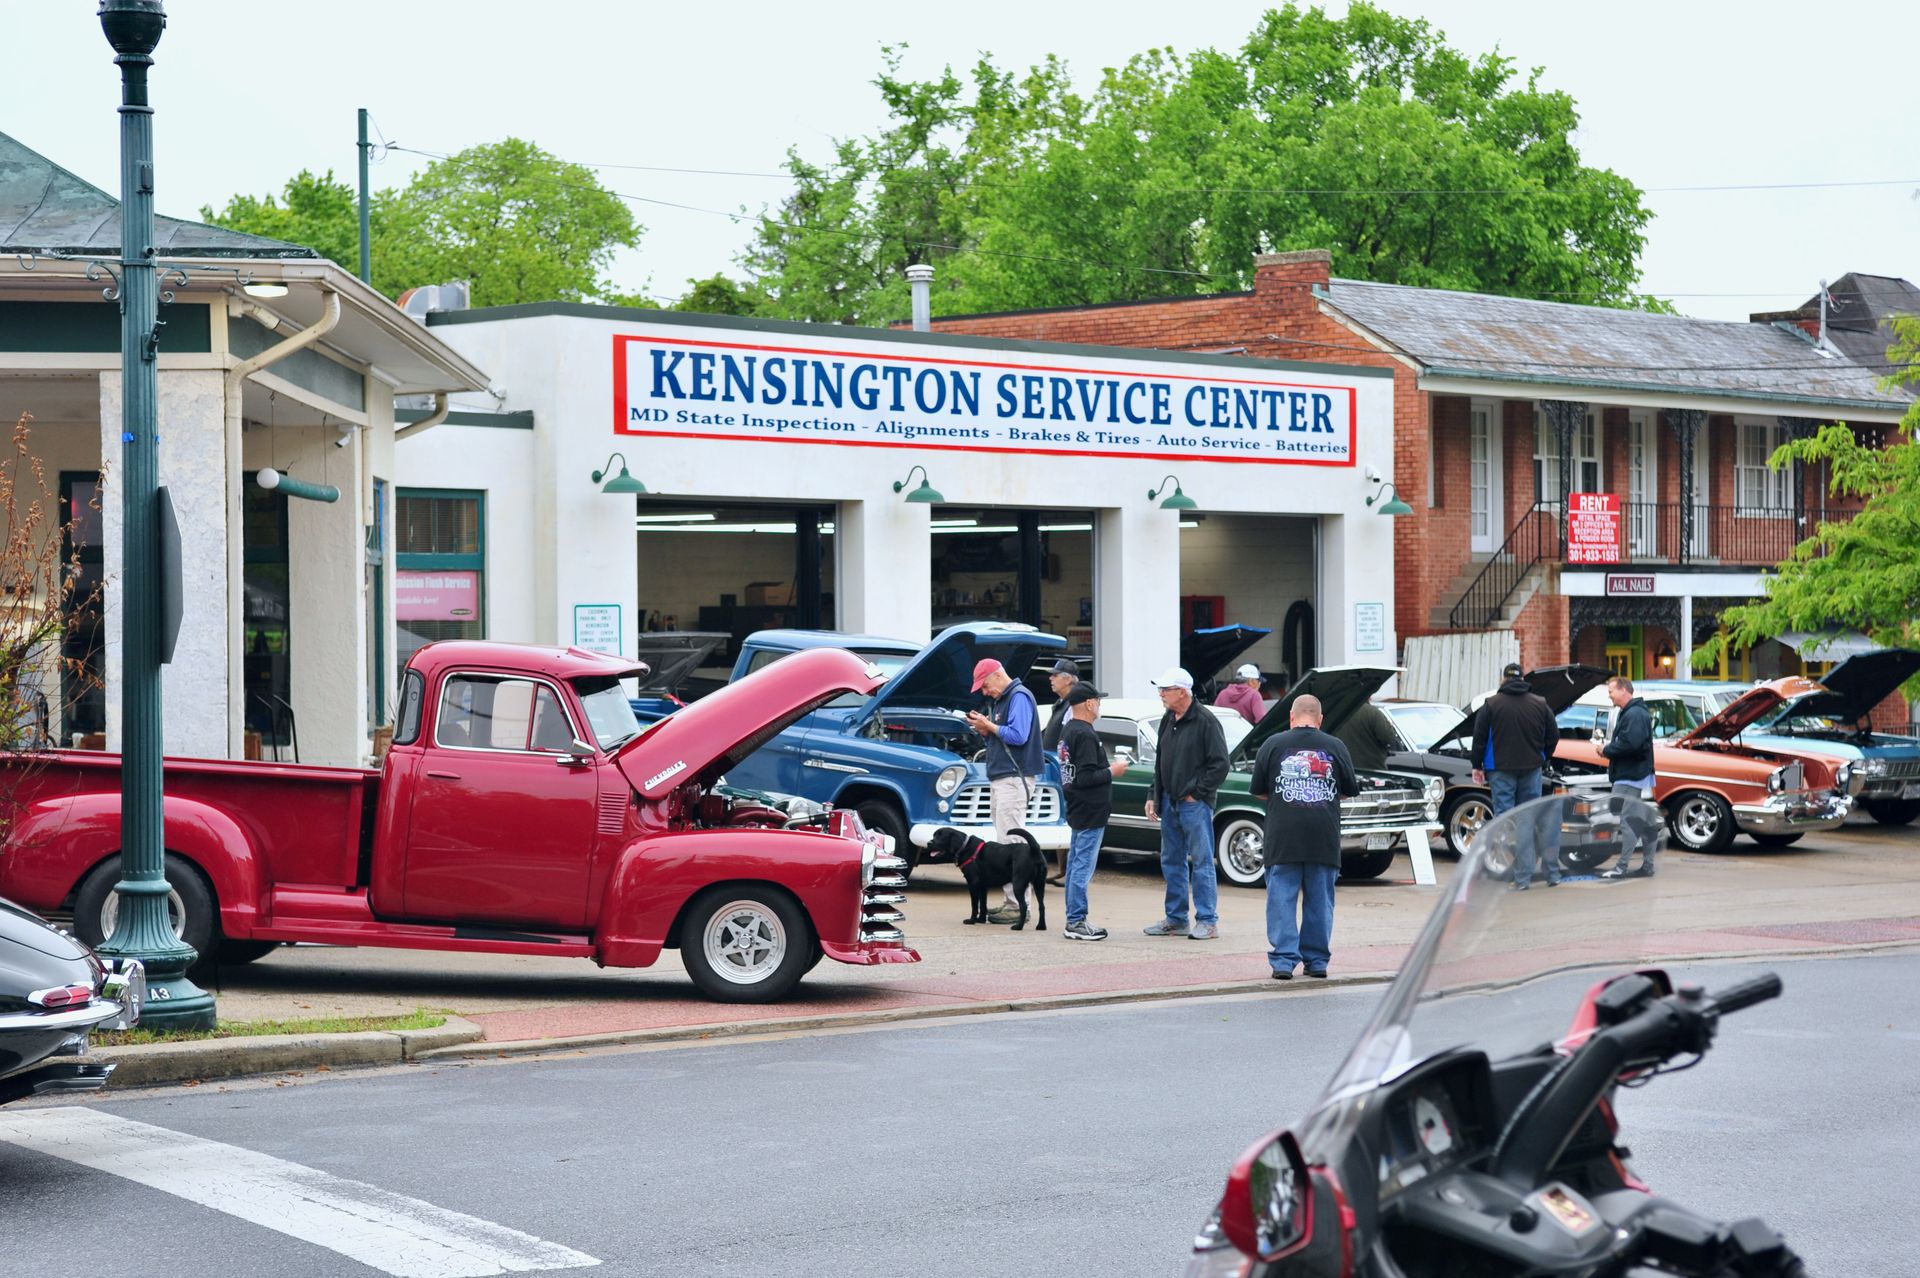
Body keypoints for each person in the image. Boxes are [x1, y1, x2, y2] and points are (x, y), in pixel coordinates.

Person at [1250, 694, 1359, 979]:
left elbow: (1261, 790)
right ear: (1320, 719)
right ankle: (1317, 961)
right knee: (1320, 902)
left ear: (1291, 716)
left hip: (1283, 838)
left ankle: (1284, 962)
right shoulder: (1336, 746)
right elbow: (1346, 789)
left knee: (1281, 899)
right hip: (1323, 838)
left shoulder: (1272, 745)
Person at [1142, 667, 1230, 940]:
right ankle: (1176, 919)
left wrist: (1197, 793)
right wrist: (1152, 795)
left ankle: (1207, 921)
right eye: (1160, 690)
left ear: (1182, 691)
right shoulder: (1169, 719)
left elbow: (1220, 764)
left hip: (1194, 804)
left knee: (1202, 861)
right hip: (1169, 800)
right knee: (1171, 860)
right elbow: (1160, 762)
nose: (1161, 694)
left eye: (1165, 690)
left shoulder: (1206, 721)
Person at [966, 658, 1044, 923]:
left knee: (1012, 842)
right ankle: (1012, 902)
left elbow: (1019, 736)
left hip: (1013, 778)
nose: (985, 692)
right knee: (1005, 841)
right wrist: (986, 730)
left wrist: (989, 726)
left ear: (998, 676)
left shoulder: (1019, 696)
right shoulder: (1004, 699)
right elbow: (1008, 735)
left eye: (985, 686)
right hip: (1004, 778)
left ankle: (1018, 905)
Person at [1471, 661, 1560, 889]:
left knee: (1504, 821)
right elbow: (1553, 735)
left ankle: (1505, 873)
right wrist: (1542, 756)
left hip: (1500, 769)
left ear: (1504, 679)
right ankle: (1525, 877)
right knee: (1527, 820)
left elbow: (1479, 739)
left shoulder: (1491, 704)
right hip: (1531, 769)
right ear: (1522, 679)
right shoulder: (1540, 703)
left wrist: (1477, 766)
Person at [1057, 682, 1129, 940]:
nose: (1099, 705)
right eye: (1098, 701)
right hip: (1089, 808)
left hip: (1079, 807)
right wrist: (1113, 770)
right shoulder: (1085, 734)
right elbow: (1085, 777)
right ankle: (1076, 920)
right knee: (1082, 866)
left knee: (1077, 863)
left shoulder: (1069, 730)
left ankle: (1073, 918)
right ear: (1089, 703)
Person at [1597, 675, 1658, 879]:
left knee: (1628, 821)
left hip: (1630, 775)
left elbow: (1630, 744)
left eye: (1611, 691)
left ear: (1624, 690)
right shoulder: (1632, 713)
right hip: (1635, 774)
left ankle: (1621, 867)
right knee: (1642, 821)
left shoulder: (1634, 715)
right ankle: (1647, 866)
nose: (1610, 696)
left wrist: (1606, 750)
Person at [1039, 658, 1082, 884]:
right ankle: (1064, 869)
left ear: (1067, 679)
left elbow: (1072, 738)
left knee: (1067, 818)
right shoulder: (1060, 703)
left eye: (1055, 675)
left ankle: (1069, 871)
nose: (1050, 678)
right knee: (1058, 815)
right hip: (1053, 767)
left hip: (1066, 769)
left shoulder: (1073, 704)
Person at [1333, 698, 1398, 772]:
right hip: (1372, 771)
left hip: (1343, 771)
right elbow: (1388, 738)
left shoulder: (1335, 713)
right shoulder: (1373, 713)